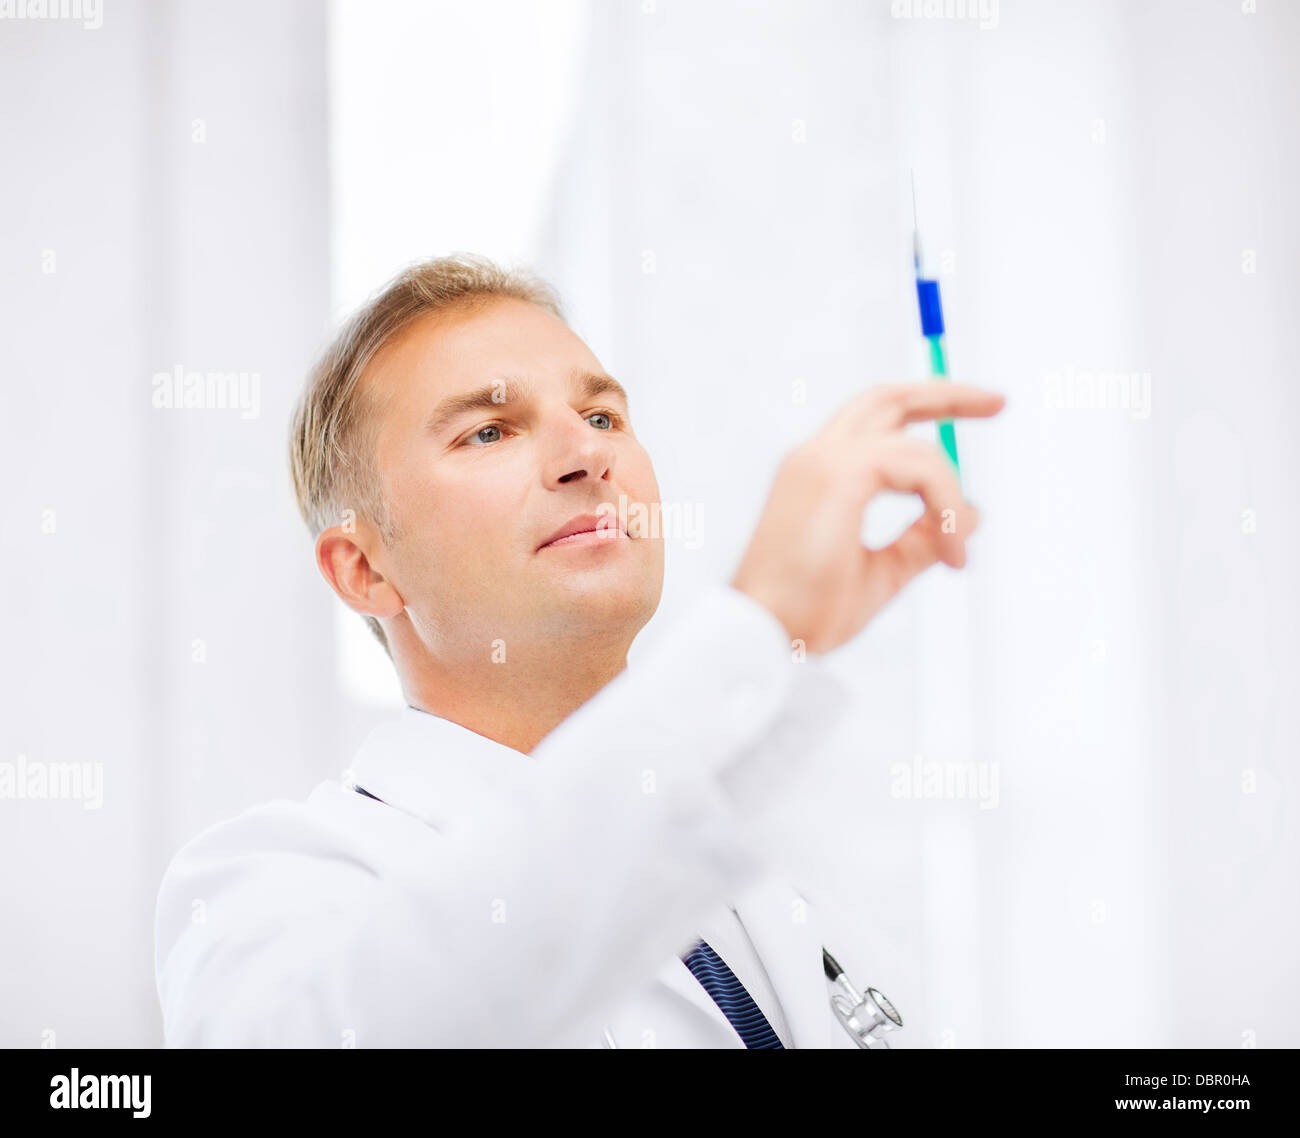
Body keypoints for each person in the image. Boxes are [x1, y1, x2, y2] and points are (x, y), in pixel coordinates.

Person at [153, 253, 1004, 1048]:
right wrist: (755, 623)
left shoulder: (791, 905)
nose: (587, 454)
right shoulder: (267, 890)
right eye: (490, 431)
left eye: (602, 415)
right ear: (366, 569)